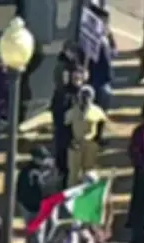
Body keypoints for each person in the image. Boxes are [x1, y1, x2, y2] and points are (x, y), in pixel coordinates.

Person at [17, 146, 59, 243]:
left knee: (49, 226)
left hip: (44, 204)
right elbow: (27, 193)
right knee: (35, 230)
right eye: (43, 158)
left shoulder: (47, 169)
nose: (46, 161)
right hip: (31, 206)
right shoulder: (29, 173)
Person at [65, 86, 108, 186]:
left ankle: (88, 193)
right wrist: (70, 141)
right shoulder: (72, 112)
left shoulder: (97, 111)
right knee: (74, 173)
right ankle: (71, 195)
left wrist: (97, 138)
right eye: (83, 97)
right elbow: (65, 128)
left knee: (89, 171)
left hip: (91, 144)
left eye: (88, 97)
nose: (85, 99)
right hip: (75, 144)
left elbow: (102, 122)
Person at [86, 8, 116, 143]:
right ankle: (97, 136)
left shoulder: (102, 38)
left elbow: (114, 52)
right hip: (100, 81)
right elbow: (107, 63)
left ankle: (95, 135)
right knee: (100, 111)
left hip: (98, 80)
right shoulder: (98, 41)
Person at [51, 67, 84, 183]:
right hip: (65, 134)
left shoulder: (84, 93)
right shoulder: (62, 93)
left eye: (80, 78)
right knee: (64, 166)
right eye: (75, 78)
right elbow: (58, 115)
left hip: (79, 136)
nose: (78, 81)